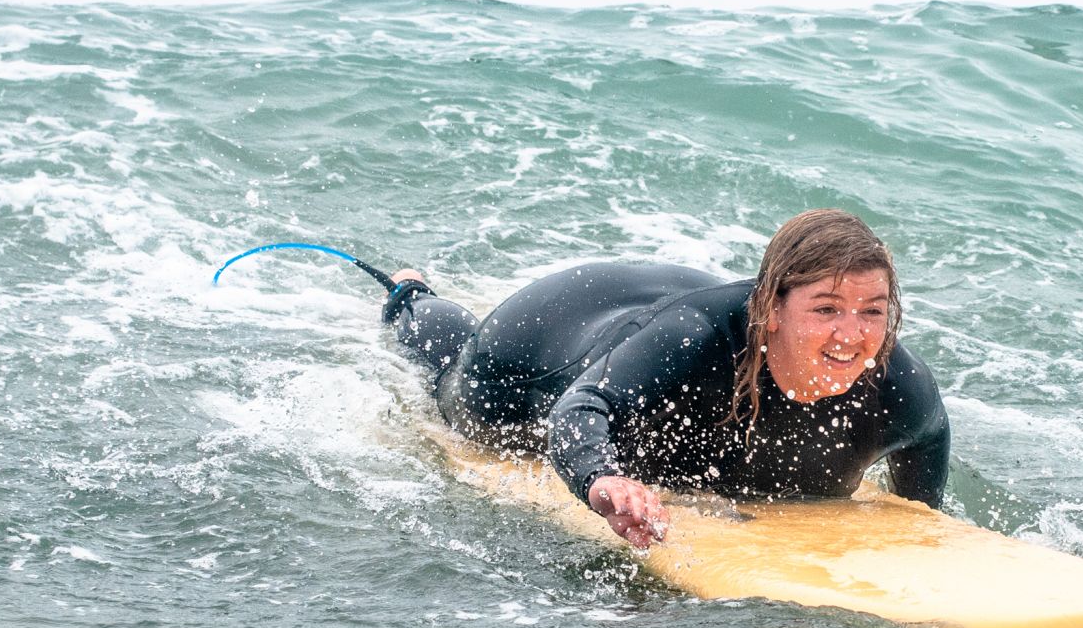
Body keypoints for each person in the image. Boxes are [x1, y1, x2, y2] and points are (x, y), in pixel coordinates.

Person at [381, 209, 950, 548]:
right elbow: (581, 409)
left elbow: (928, 445)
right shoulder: (693, 344)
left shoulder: (903, 391)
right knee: (455, 391)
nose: (853, 335)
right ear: (772, 309)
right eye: (826, 309)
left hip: (667, 304)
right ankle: (412, 295)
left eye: (872, 311)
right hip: (554, 332)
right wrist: (602, 480)